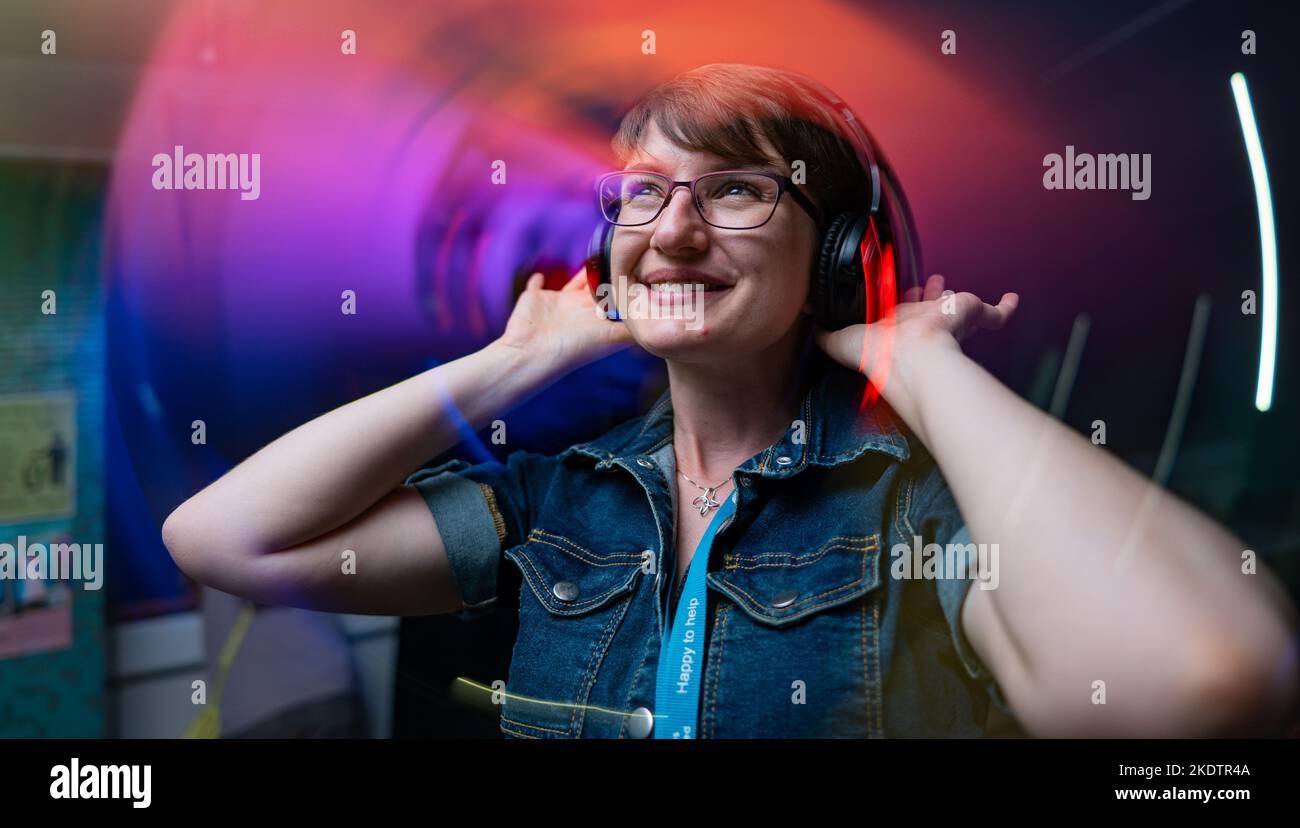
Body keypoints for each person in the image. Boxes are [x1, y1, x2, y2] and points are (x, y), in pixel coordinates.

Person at [163, 63, 1298, 738]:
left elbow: (1201, 678)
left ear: (842, 255)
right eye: (644, 195)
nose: (672, 230)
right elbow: (221, 538)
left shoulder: (914, 518)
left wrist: (923, 362)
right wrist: (510, 363)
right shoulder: (551, 507)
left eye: (737, 191)